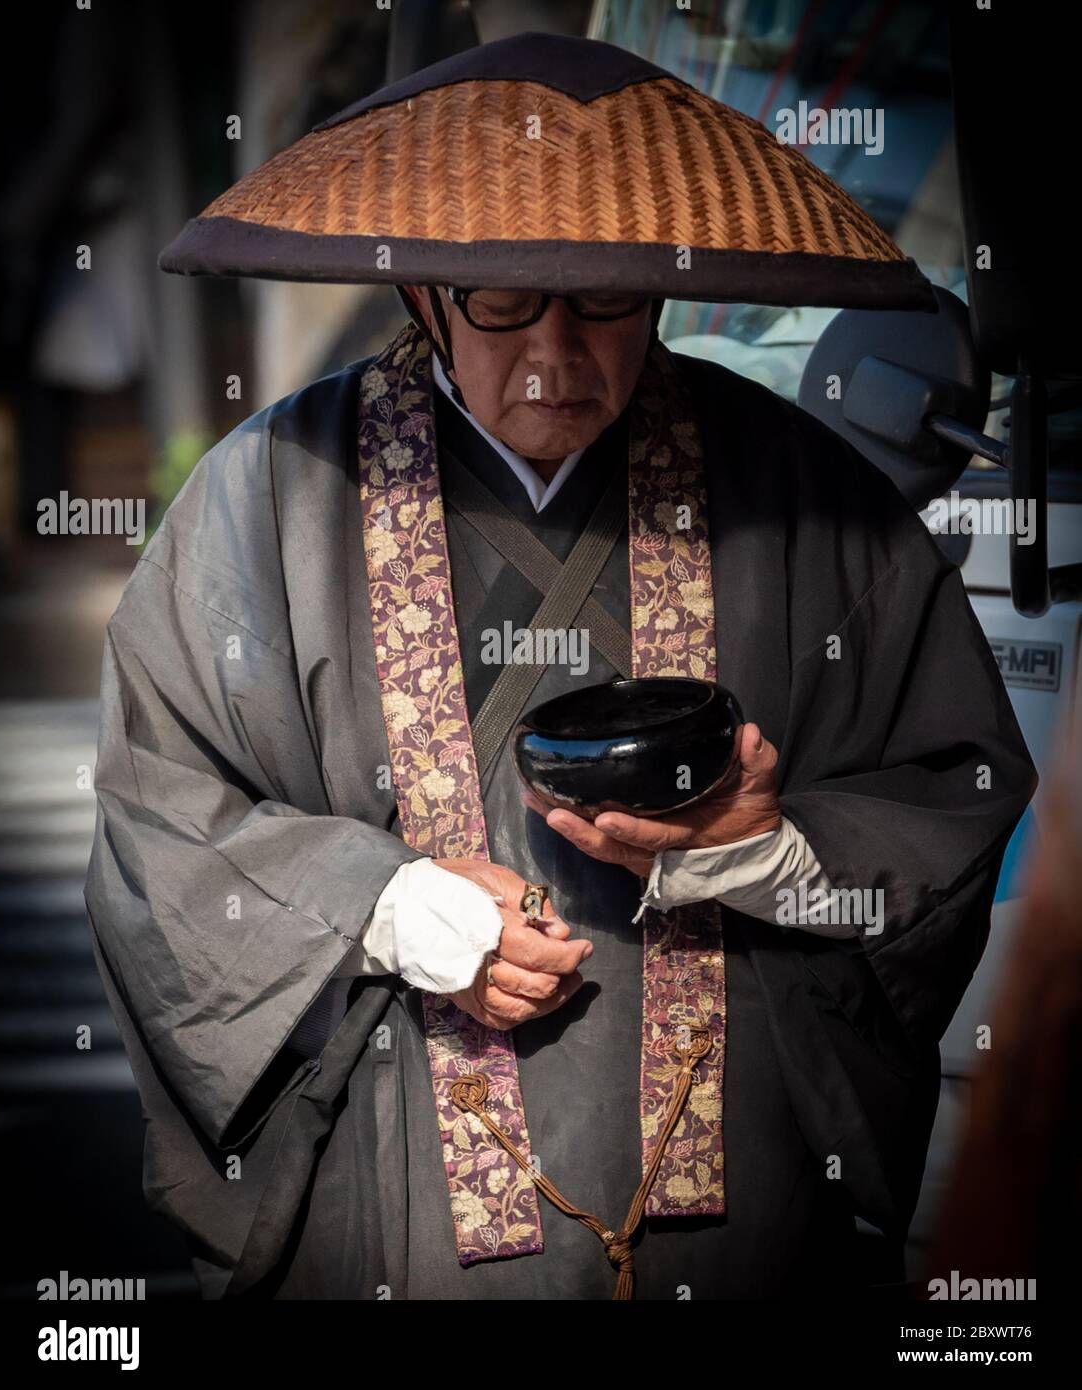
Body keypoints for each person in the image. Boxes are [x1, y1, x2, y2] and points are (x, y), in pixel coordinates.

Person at [85, 32, 1037, 1299]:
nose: (555, 355)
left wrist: (773, 849)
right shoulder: (267, 497)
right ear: (422, 295)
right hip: (403, 1191)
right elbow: (160, 816)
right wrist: (379, 905)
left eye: (601, 303)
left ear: (655, 290)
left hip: (736, 1184)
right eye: (502, 304)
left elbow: (948, 784)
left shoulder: (806, 495)